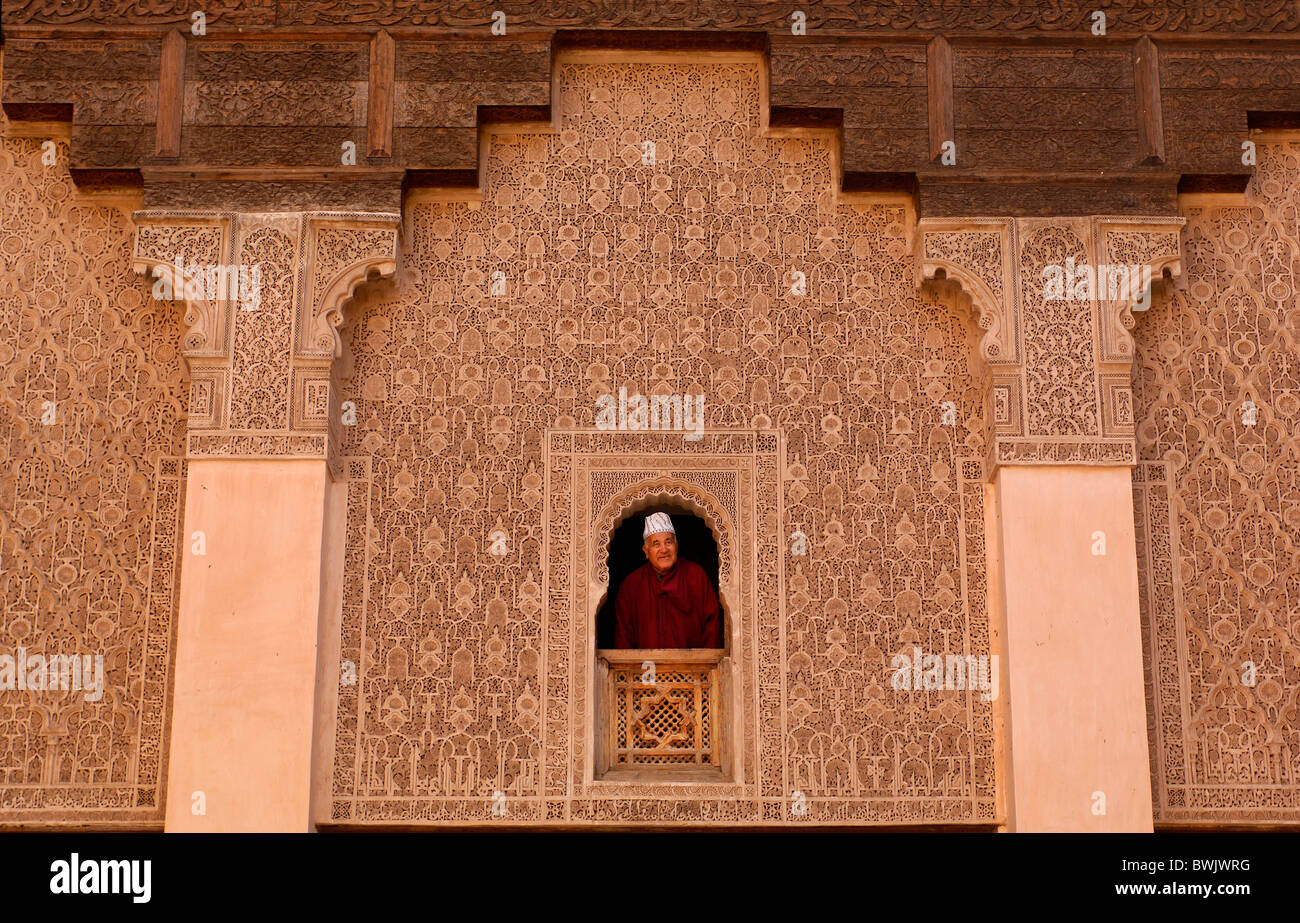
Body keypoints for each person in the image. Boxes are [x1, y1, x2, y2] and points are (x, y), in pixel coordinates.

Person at [614, 512, 723, 649]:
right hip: (646, 668)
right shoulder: (631, 585)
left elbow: (712, 626)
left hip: (694, 667)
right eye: (656, 544)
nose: (663, 549)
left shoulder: (695, 575)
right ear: (646, 551)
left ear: (676, 546)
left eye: (668, 542)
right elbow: (624, 637)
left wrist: (708, 664)